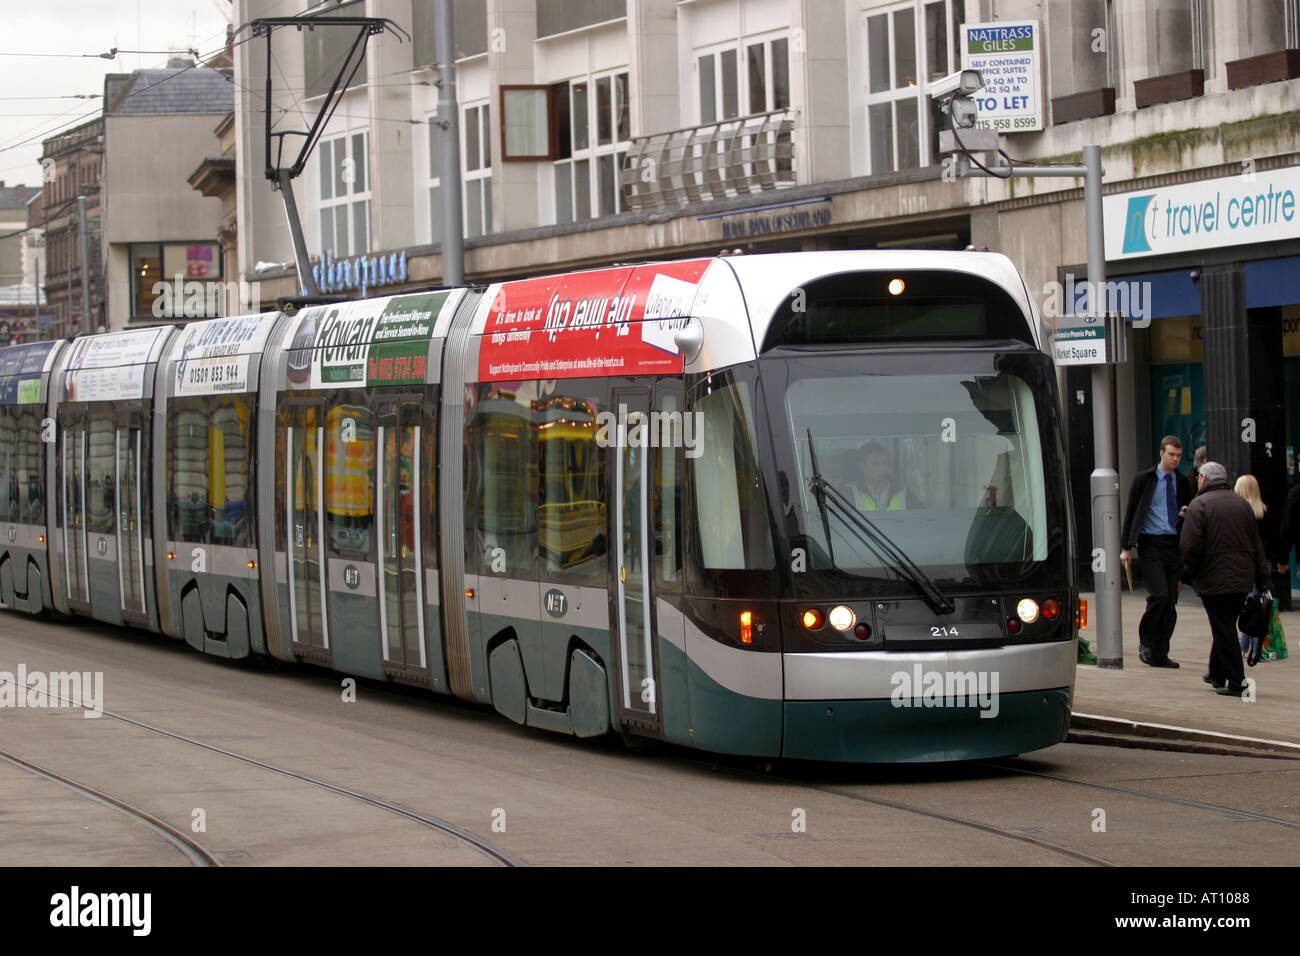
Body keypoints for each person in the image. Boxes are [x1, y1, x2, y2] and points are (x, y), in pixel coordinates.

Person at [1181, 462, 1270, 696]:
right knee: (1225, 624)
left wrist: (1191, 573)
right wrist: (1263, 580)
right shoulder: (1242, 504)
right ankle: (1216, 673)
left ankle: (1238, 681)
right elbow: (1256, 546)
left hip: (1214, 580)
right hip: (1242, 579)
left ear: (1204, 480)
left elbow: (1189, 547)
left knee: (1223, 627)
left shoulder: (1199, 505)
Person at [1120, 435, 1195, 667]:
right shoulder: (1144, 479)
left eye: (1179, 456)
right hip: (1150, 543)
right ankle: (1147, 644)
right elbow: (1132, 511)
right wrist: (1126, 547)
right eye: (1171, 454)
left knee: (1170, 600)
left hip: (1174, 543)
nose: (1175, 459)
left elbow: (1189, 508)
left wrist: (1185, 513)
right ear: (1161, 453)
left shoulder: (1182, 481)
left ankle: (1161, 651)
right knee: (1159, 595)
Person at [852, 441, 921, 511]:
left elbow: (921, 517)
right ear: (862, 466)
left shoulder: (903, 493)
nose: (881, 468)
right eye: (875, 464)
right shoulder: (851, 494)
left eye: (884, 463)